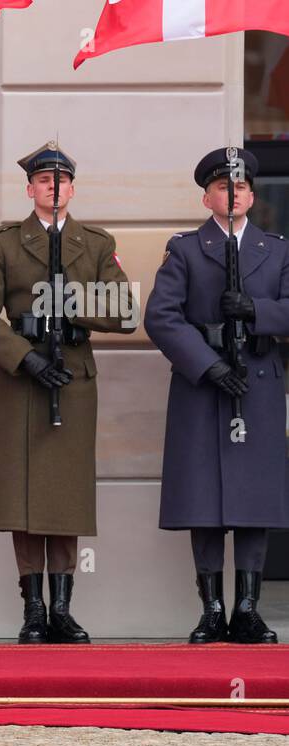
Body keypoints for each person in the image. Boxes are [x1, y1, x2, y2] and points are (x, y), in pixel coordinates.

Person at [0, 143, 135, 643]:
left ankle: (63, 609)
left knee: (66, 495)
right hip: (23, 376)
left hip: (73, 376)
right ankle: (33, 608)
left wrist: (67, 303)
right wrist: (24, 355)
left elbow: (124, 312)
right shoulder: (6, 244)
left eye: (61, 181)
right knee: (23, 494)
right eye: (43, 181)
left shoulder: (96, 244)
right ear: (30, 188)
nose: (53, 188)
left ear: (72, 189)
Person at [144, 147, 288, 644]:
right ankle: (212, 609)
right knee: (203, 499)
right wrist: (208, 366)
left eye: (242, 187)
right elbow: (161, 318)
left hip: (258, 384)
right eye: (224, 187)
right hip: (204, 389)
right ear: (207, 195)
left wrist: (255, 309)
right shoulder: (185, 249)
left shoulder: (278, 248)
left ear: (252, 194)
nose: (234, 194)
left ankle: (247, 608)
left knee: (254, 502)